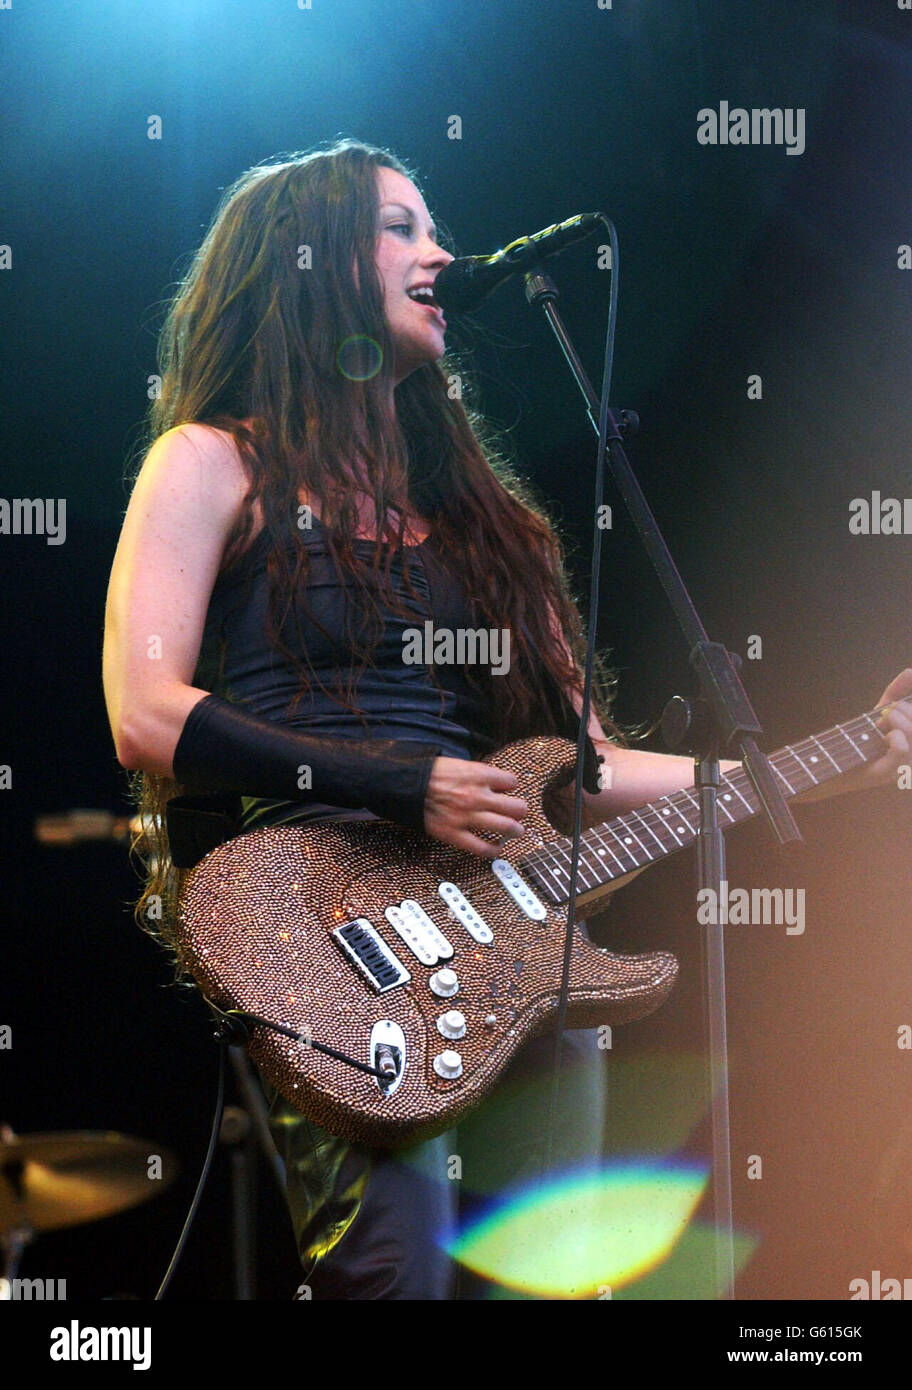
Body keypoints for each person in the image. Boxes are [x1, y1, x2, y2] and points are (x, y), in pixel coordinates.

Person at [102, 138, 912, 1300]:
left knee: (548, 1288)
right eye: (401, 227)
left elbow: (584, 771)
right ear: (309, 262)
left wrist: (847, 753)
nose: (440, 251)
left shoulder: (488, 527)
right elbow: (144, 711)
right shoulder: (208, 462)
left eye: (432, 227)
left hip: (513, 939)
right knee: (395, 1275)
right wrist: (402, 785)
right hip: (318, 926)